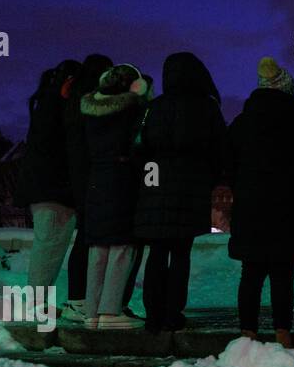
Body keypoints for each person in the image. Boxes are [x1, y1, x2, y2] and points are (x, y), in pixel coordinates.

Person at [225, 57, 294, 348]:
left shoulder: (242, 122)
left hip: (251, 207)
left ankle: (247, 336)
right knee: (284, 273)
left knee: (252, 272)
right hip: (290, 209)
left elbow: (228, 163)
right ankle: (283, 336)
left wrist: (243, 190)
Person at [134, 52, 226, 334]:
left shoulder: (154, 107)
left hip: (155, 191)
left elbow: (141, 146)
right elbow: (220, 149)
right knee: (181, 253)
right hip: (190, 191)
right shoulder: (206, 108)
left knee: (158, 252)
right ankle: (173, 313)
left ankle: (153, 314)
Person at [79, 63, 153, 329]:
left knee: (98, 248)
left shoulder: (90, 112)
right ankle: (111, 310)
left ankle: (92, 312)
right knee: (122, 245)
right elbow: (141, 145)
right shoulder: (134, 109)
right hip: (123, 180)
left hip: (96, 180)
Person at [16, 60, 81, 322]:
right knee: (50, 246)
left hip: (47, 191)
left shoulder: (46, 105)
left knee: (49, 245)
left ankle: (36, 303)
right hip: (53, 192)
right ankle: (35, 305)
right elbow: (55, 152)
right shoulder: (55, 109)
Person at [60, 53, 113, 323]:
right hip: (91, 176)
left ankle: (78, 298)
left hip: (79, 177)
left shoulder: (73, 103)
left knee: (85, 236)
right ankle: (77, 299)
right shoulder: (91, 103)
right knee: (87, 238)